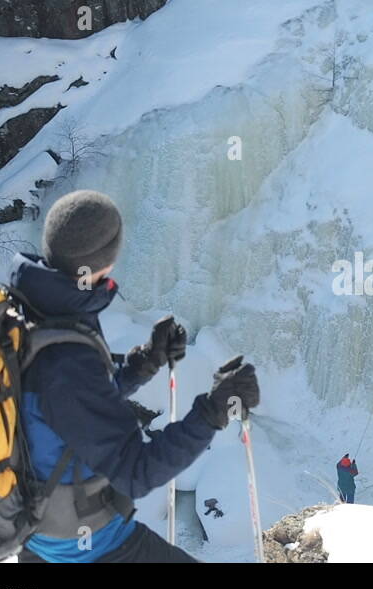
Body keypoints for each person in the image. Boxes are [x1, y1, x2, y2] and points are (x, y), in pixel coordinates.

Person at [13, 190, 260, 563]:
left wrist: (145, 362)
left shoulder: (33, 305)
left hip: (33, 526)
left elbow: (74, 409)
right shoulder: (67, 354)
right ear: (107, 259)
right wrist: (213, 410)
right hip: (78, 542)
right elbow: (136, 473)